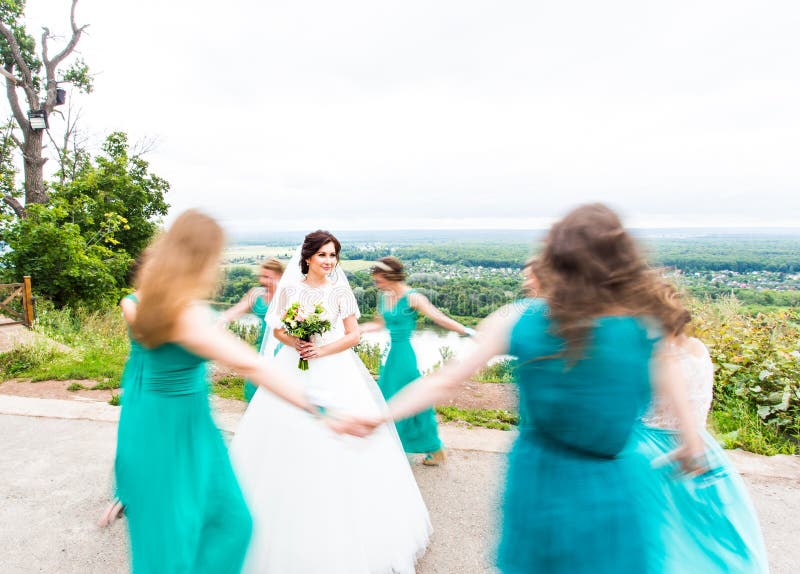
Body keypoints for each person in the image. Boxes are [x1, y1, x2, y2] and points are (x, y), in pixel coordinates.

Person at [347, 204, 706, 574]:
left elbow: (447, 379)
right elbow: (669, 370)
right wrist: (691, 437)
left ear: (555, 257)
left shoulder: (518, 318)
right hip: (614, 480)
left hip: (541, 477)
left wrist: (382, 415)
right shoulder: (645, 324)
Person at [113, 211, 340, 574]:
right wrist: (322, 409)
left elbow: (139, 336)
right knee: (177, 546)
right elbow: (253, 365)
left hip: (176, 426)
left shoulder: (146, 304)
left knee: (226, 523)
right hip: (169, 434)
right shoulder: (180, 316)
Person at [230, 230, 431, 574]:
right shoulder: (290, 289)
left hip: (335, 370)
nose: (328, 261)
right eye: (322, 255)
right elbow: (277, 329)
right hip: (293, 366)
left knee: (340, 447)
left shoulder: (340, 289)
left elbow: (352, 334)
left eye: (333, 255)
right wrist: (296, 342)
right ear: (307, 257)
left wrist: (321, 348)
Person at [632, 283, 770, 573]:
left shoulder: (658, 356)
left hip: (651, 447)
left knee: (656, 537)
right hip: (701, 444)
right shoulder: (697, 349)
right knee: (706, 537)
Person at [359, 256, 473, 465]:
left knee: (411, 400)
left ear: (390, 276)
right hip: (391, 355)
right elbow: (377, 324)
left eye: (379, 280)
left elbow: (438, 317)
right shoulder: (384, 296)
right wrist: (355, 330)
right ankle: (397, 444)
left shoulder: (413, 297)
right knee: (388, 398)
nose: (377, 284)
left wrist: (466, 330)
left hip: (405, 357)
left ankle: (435, 447)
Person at [218, 258, 285, 401]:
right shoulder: (256, 294)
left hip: (281, 348)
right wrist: (221, 321)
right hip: (261, 347)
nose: (263, 280)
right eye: (262, 276)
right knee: (254, 387)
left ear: (279, 276)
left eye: (268, 277)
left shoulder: (287, 296)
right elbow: (237, 310)